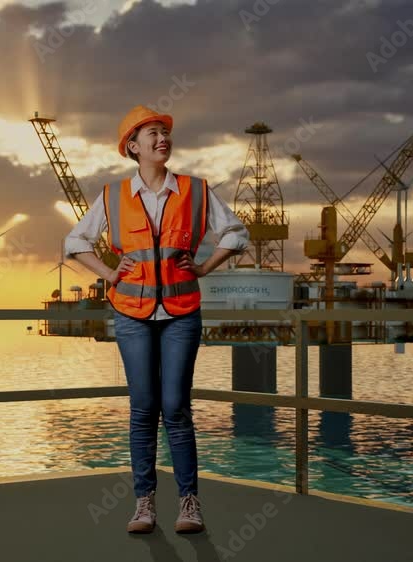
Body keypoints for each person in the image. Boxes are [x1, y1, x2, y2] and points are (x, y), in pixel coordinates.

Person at [63, 105, 249, 534]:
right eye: (153, 133)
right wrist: (109, 273)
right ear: (133, 146)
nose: (162, 139)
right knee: (143, 409)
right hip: (131, 313)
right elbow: (77, 240)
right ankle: (144, 504)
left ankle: (189, 503)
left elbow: (237, 233)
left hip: (182, 314)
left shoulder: (196, 190)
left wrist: (204, 267)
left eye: (165, 132)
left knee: (176, 408)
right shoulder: (112, 196)